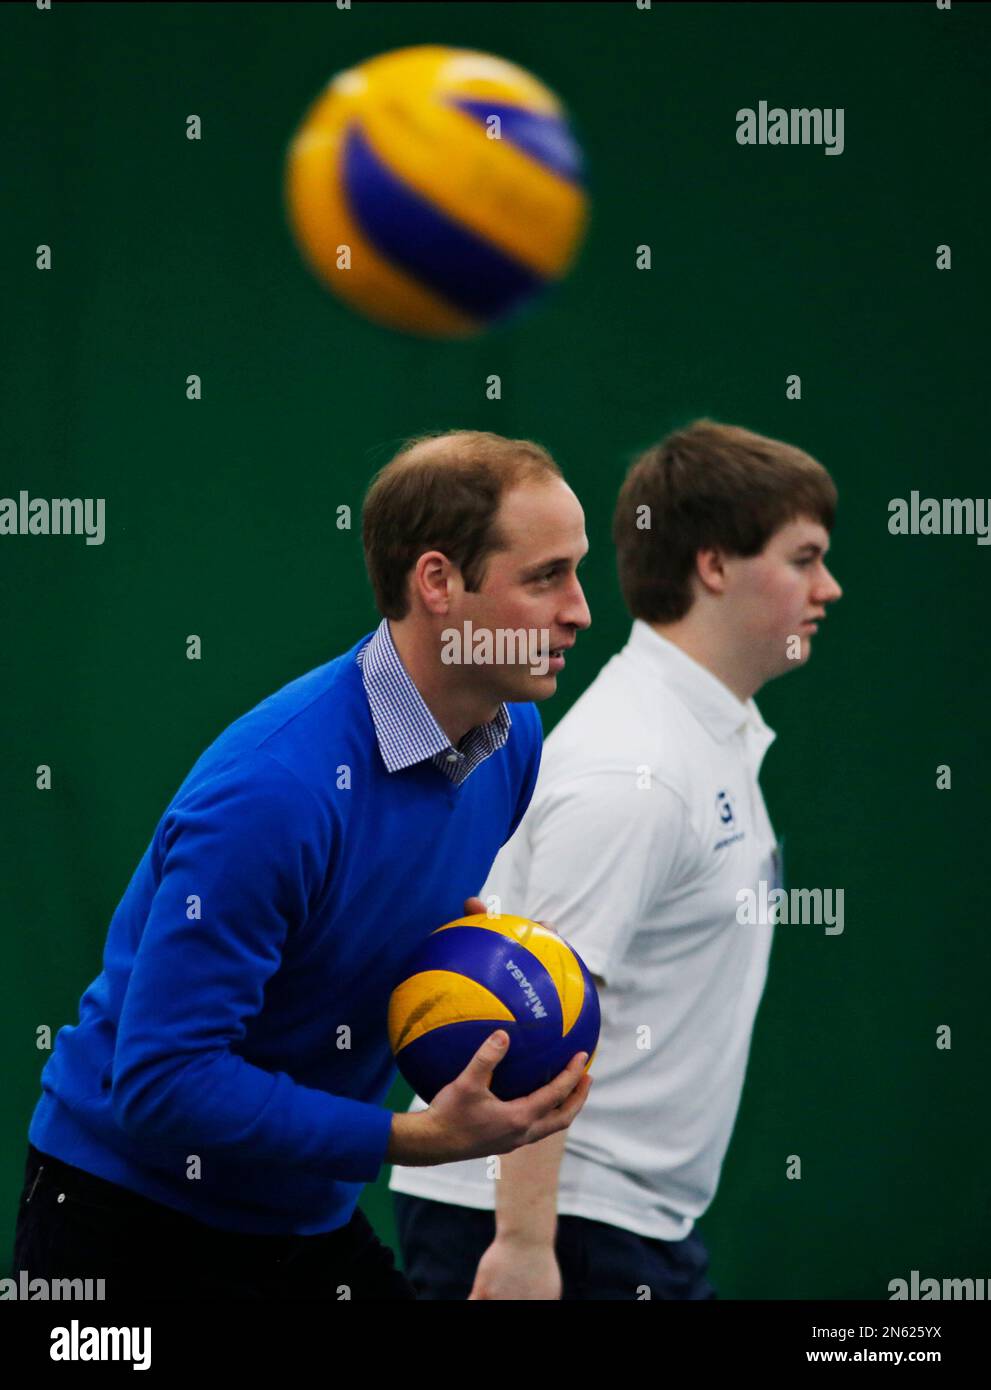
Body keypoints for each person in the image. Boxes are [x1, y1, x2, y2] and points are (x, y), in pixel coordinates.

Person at [12, 429, 593, 1300]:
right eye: (545, 576)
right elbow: (163, 1081)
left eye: (576, 570)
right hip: (125, 1227)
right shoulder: (272, 793)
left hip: (303, 1220)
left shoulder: (513, 737)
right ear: (437, 583)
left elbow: (370, 920)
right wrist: (416, 1139)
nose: (580, 609)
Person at [390, 418, 843, 1300]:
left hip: (615, 1226)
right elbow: (531, 1011)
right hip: (548, 1228)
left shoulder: (701, 740)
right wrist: (523, 1246)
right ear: (713, 566)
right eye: (803, 558)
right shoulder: (636, 769)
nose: (828, 587)